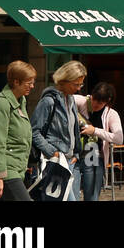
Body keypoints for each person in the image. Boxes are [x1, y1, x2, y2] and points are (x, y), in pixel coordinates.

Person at [31, 60, 88, 202]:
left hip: (71, 162)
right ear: (64, 80)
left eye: (81, 84)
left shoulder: (72, 100)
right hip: (56, 163)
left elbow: (72, 131)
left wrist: (75, 152)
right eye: (76, 84)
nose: (79, 88)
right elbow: (34, 131)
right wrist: (52, 152)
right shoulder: (48, 101)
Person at [0, 60, 36, 202]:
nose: (32, 86)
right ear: (16, 82)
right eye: (28, 82)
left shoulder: (21, 101)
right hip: (7, 169)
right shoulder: (2, 105)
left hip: (17, 168)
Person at [73, 81, 123, 202]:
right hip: (74, 154)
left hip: (94, 156)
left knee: (92, 196)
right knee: (71, 195)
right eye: (94, 99)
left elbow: (119, 138)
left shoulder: (111, 114)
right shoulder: (81, 101)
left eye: (100, 103)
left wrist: (94, 130)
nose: (95, 104)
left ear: (107, 101)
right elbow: (65, 98)